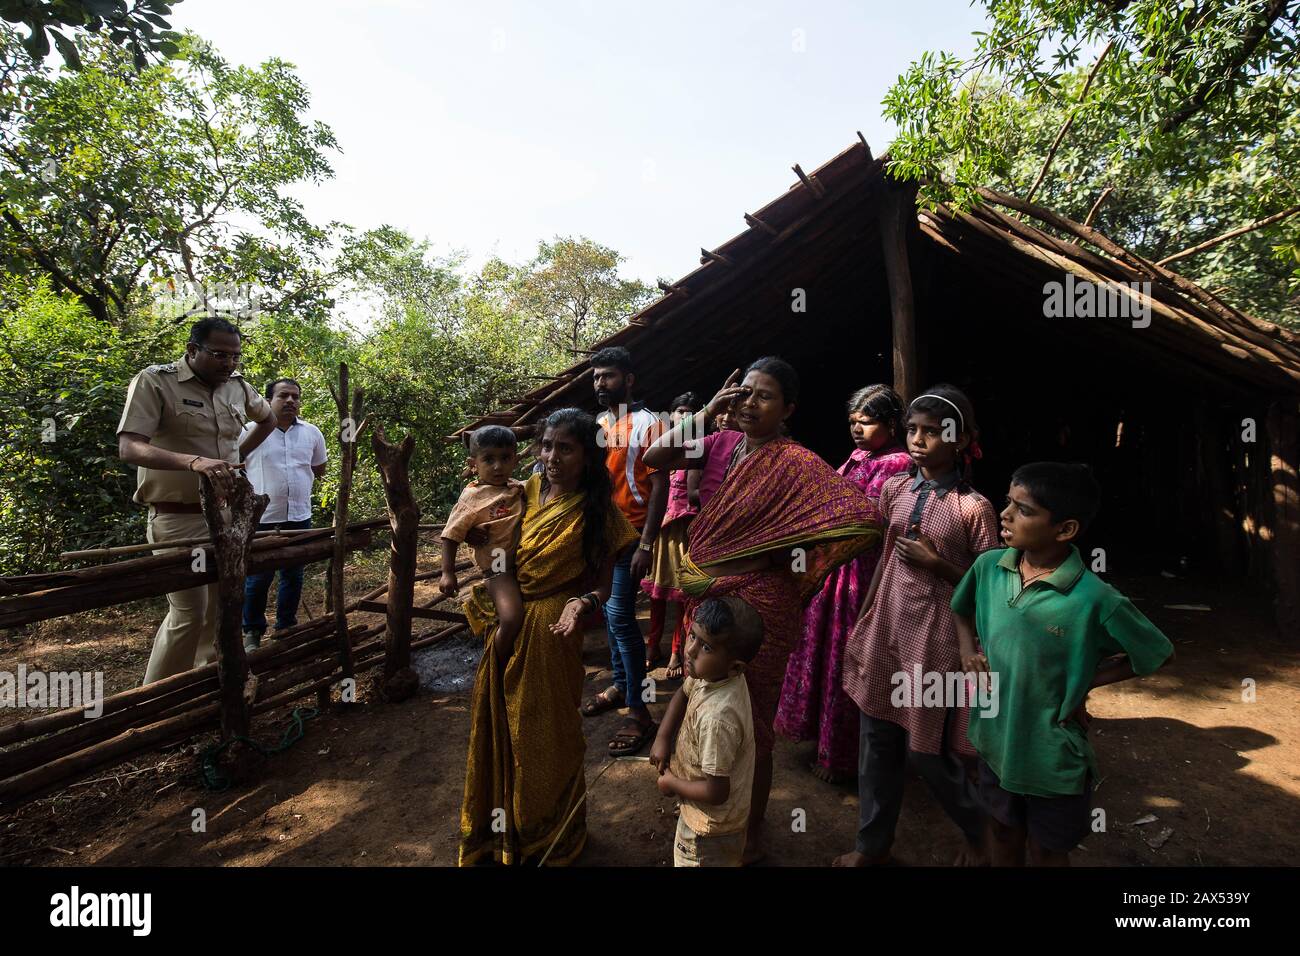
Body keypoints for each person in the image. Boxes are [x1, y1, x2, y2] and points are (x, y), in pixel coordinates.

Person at [645, 357, 882, 864]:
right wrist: (710, 409)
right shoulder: (720, 443)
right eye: (744, 392)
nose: (750, 403)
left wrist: (786, 552)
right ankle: (707, 804)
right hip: (708, 596)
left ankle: (749, 833)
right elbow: (655, 456)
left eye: (764, 395)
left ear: (788, 408)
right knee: (704, 696)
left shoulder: (795, 463)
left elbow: (861, 516)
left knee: (753, 722)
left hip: (760, 605)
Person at [953, 462, 1174, 866]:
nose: (1005, 515)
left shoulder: (1094, 598)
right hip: (994, 738)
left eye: (1024, 509)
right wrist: (968, 651)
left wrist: (1088, 679)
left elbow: (1156, 652)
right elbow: (961, 610)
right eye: (1008, 502)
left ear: (1065, 530)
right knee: (1002, 831)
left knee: (1047, 850)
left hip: (1051, 755)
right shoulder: (988, 568)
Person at [459, 409, 637, 866]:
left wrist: (585, 603)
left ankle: (548, 834)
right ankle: (502, 836)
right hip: (509, 622)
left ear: (587, 456)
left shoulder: (600, 512)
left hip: (555, 631)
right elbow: (488, 540)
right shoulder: (522, 492)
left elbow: (602, 583)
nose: (551, 456)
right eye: (546, 446)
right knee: (499, 725)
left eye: (565, 448)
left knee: (545, 734)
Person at [836, 384, 1000, 867]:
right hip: (886, 626)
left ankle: (980, 830)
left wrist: (938, 564)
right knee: (876, 742)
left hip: (938, 640)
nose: (919, 439)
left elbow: (988, 585)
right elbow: (885, 559)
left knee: (926, 753)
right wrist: (864, 618)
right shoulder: (895, 490)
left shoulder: (976, 508)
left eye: (933, 431)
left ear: (962, 439)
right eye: (912, 429)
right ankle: (872, 846)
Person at [117, 317, 275, 684]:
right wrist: (194, 463)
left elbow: (266, 419)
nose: (229, 363)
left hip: (225, 517)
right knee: (189, 612)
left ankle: (206, 688)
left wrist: (237, 458)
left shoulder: (237, 387)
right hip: (177, 518)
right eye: (219, 354)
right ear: (192, 350)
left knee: (221, 609)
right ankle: (156, 701)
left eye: (236, 356)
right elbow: (129, 446)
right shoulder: (155, 382)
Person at [775, 385, 911, 783]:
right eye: (852, 422)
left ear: (890, 424)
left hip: (862, 571)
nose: (856, 429)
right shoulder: (859, 456)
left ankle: (843, 756)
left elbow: (864, 516)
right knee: (825, 649)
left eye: (866, 422)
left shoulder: (896, 464)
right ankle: (820, 737)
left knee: (847, 655)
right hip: (837, 566)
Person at [580, 346, 668, 757]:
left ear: (629, 380)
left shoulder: (650, 423)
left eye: (609, 376)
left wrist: (647, 543)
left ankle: (639, 709)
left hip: (631, 534)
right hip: (602, 534)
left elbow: (660, 487)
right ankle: (620, 684)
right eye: (596, 377)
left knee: (618, 615)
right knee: (612, 617)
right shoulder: (599, 424)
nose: (600, 384)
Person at [650, 595, 765, 867]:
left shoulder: (718, 719)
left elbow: (716, 792)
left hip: (709, 831)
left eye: (706, 647)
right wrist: (662, 737)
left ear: (735, 666)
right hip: (707, 818)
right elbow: (682, 693)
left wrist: (672, 783)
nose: (690, 651)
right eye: (692, 636)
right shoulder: (712, 675)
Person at [240, 378, 328, 650]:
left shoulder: (311, 432)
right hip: (262, 518)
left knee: (293, 574)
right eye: (283, 396)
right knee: (258, 577)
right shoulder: (248, 431)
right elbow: (235, 467)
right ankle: (252, 632)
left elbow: (319, 468)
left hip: (299, 516)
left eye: (295, 396)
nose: (290, 401)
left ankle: (286, 627)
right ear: (268, 401)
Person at [439, 426, 526, 667]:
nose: (497, 466)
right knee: (511, 618)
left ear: (516, 460)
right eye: (489, 459)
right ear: (473, 463)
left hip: (520, 566)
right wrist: (448, 572)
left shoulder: (518, 488)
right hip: (498, 571)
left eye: (505, 458)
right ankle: (495, 665)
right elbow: (450, 535)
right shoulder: (472, 497)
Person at [641, 392, 705, 677]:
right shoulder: (662, 448)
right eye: (680, 411)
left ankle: (677, 651)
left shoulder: (699, 446)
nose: (685, 416)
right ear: (671, 415)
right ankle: (652, 646)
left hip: (684, 528)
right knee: (656, 594)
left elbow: (696, 494)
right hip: (659, 529)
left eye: (691, 411)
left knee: (681, 594)